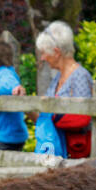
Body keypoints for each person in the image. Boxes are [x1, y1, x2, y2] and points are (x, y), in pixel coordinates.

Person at [27, 20, 91, 158]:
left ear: (56, 52)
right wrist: (25, 105)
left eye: (44, 53)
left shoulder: (80, 76)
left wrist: (55, 117)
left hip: (74, 156)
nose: (42, 58)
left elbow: (82, 119)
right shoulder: (57, 78)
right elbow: (46, 120)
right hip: (56, 151)